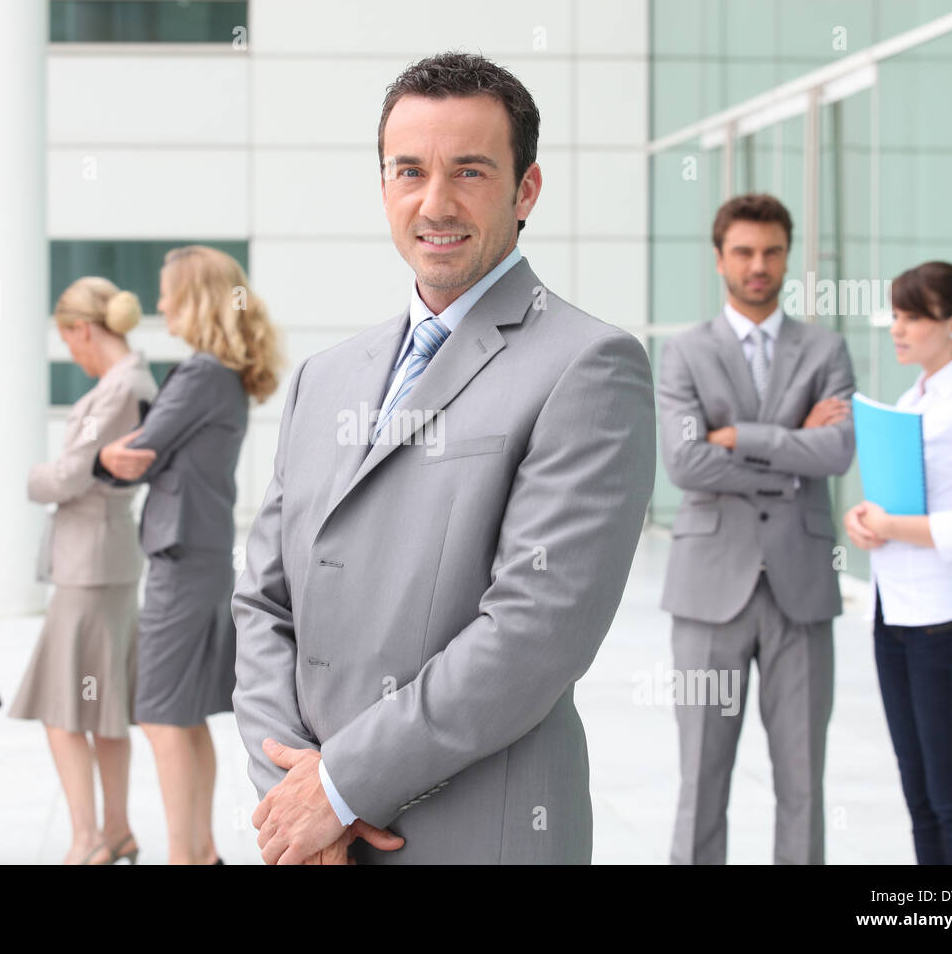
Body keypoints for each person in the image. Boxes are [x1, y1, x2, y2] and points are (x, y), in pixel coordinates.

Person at [231, 52, 657, 866]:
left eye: (470, 171)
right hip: (312, 838)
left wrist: (340, 786)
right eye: (409, 171)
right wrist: (288, 786)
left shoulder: (588, 365)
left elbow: (535, 632)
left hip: (479, 832)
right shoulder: (325, 379)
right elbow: (262, 604)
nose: (436, 203)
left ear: (525, 190)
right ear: (383, 184)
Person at [656, 193, 856, 864]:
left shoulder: (826, 348)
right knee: (700, 778)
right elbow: (685, 462)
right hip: (709, 590)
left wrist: (740, 437)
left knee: (802, 779)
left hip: (801, 589)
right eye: (743, 251)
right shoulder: (683, 353)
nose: (758, 265)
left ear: (787, 257)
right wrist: (791, 448)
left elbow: (838, 451)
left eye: (771, 251)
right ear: (720, 260)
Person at [96, 245, 281, 865]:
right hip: (197, 555)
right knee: (183, 711)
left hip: (181, 559)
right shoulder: (219, 373)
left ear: (196, 297)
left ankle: (187, 857)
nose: (159, 304)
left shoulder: (202, 373)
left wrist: (107, 457)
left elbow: (140, 453)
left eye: (169, 291)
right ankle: (199, 853)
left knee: (159, 713)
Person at [843, 261, 952, 865]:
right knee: (919, 795)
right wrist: (869, 522)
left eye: (914, 316)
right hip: (898, 616)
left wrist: (897, 528)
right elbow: (906, 502)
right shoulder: (910, 398)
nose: (898, 328)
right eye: (895, 314)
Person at [9, 277, 157, 864]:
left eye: (68, 340)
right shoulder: (134, 381)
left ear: (82, 329)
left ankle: (87, 838)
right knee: (103, 710)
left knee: (63, 709)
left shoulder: (119, 388)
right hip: (105, 560)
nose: (71, 352)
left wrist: (35, 478)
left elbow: (68, 475)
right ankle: (114, 831)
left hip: (90, 567)